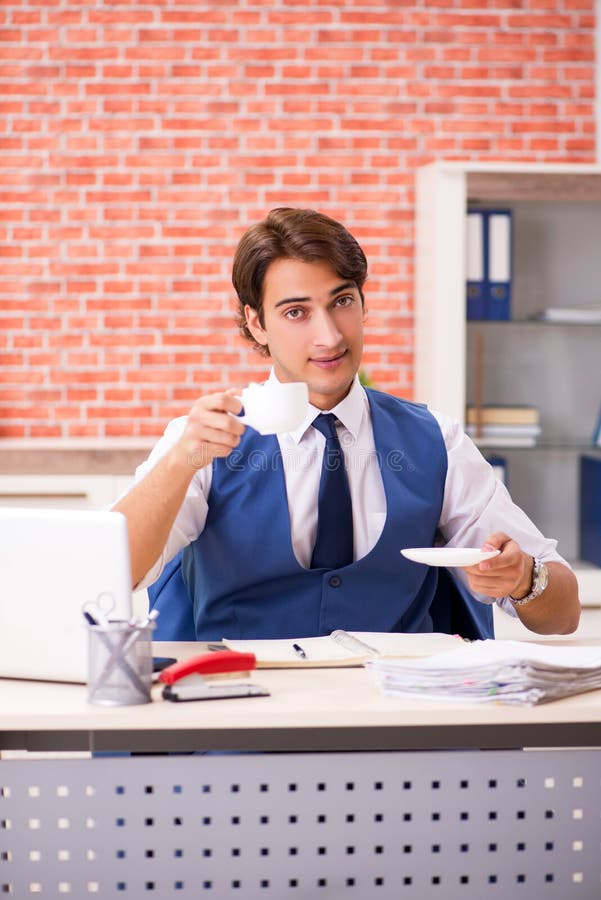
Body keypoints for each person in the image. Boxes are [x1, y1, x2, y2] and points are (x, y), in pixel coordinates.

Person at [113, 207, 580, 642]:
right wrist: (179, 463)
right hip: (245, 709)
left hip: (395, 713)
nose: (330, 336)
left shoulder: (436, 440)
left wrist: (524, 579)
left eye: (342, 301)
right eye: (296, 312)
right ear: (256, 324)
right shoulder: (204, 439)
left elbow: (564, 612)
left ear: (363, 304)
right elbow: (114, 574)